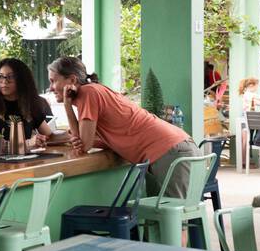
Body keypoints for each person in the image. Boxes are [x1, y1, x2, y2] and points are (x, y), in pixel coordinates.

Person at [46, 56, 201, 196]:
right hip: (172, 149)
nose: (50, 87)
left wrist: (67, 105)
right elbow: (82, 138)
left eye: (53, 81)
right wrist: (51, 139)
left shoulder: (88, 93)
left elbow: (84, 145)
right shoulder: (93, 91)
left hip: (170, 151)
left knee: (174, 220)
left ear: (72, 80)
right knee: (167, 218)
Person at [0, 57, 69, 149]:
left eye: (10, 77)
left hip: (25, 162)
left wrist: (71, 136)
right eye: (0, 76)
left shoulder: (30, 103)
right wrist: (26, 143)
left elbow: (49, 136)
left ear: (22, 80)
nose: (4, 81)